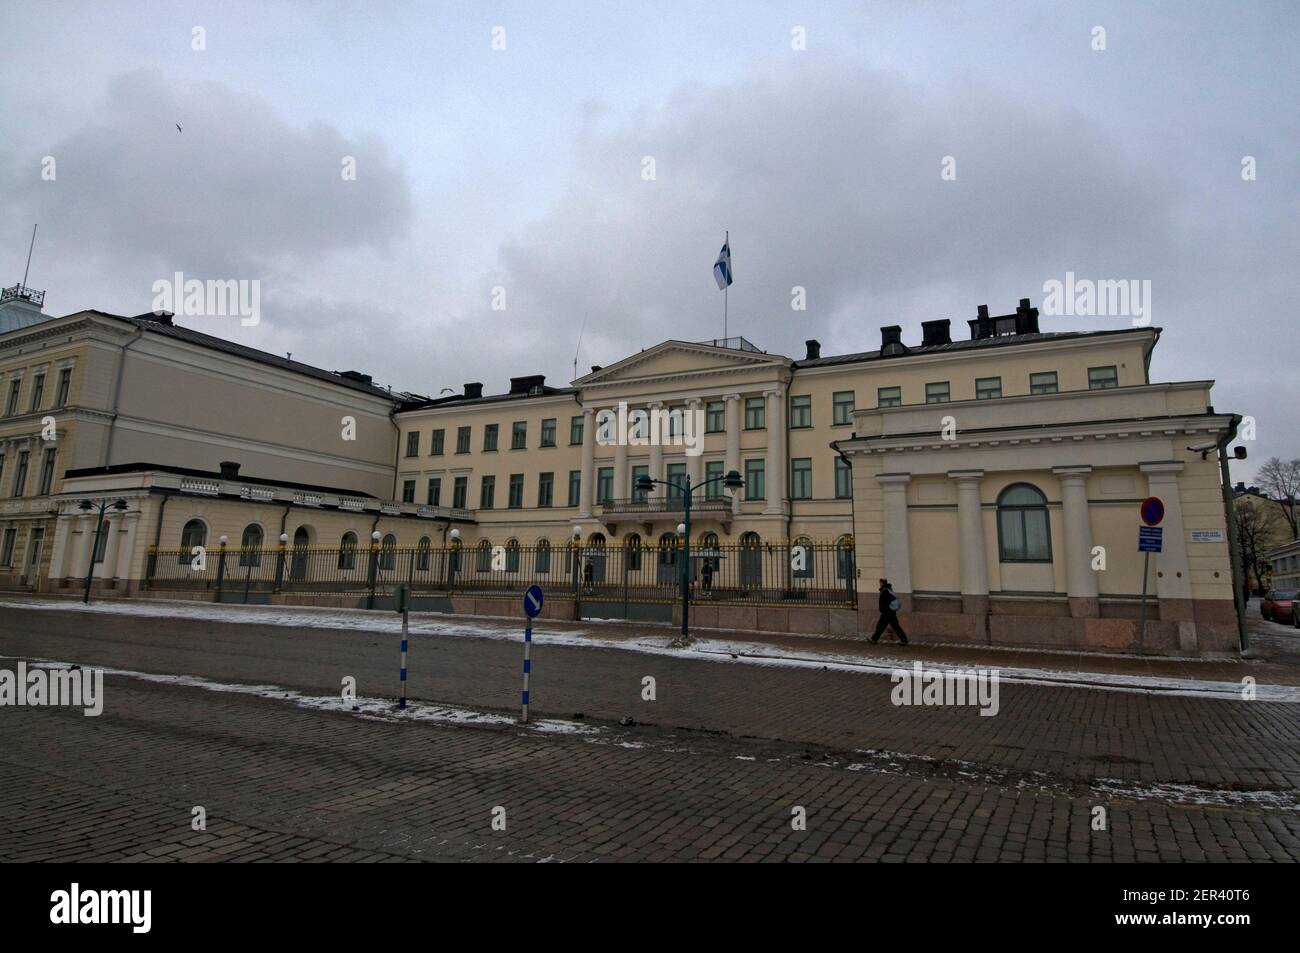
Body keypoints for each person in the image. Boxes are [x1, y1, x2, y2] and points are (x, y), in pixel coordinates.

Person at [870, 577, 908, 644]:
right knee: (896, 626)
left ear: (881, 583)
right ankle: (904, 640)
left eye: (880, 582)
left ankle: (874, 639)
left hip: (886, 612)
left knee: (881, 626)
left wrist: (882, 609)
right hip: (891, 612)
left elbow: (884, 601)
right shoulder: (889, 589)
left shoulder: (884, 591)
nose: (879, 584)